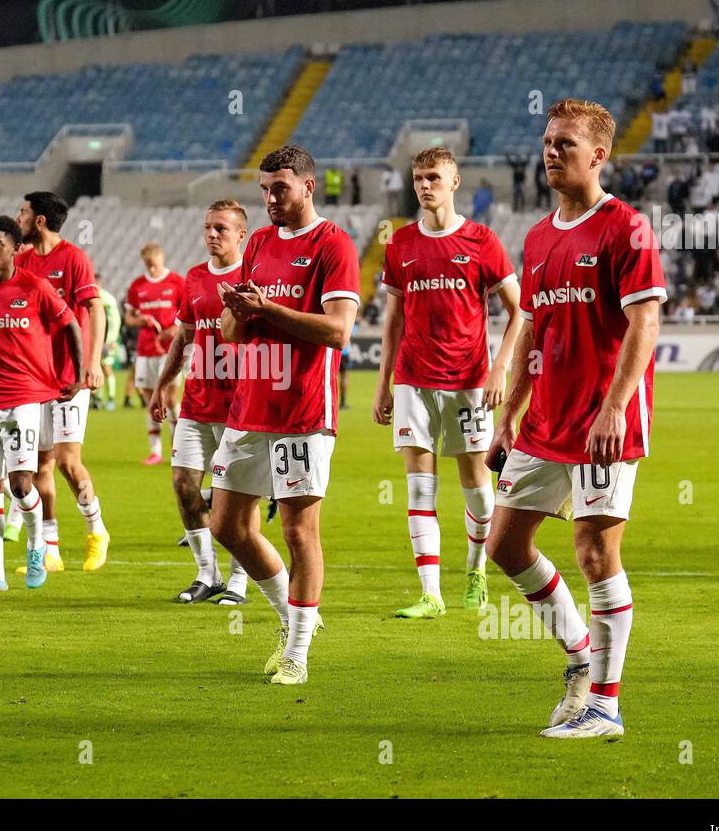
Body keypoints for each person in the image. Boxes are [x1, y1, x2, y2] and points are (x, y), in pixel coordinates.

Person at [485, 99, 666, 739]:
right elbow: (534, 327)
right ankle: (580, 656)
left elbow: (646, 320)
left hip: (603, 422)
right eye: (546, 140)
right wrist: (509, 416)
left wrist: (615, 405)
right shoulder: (537, 236)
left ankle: (605, 706)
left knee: (593, 551)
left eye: (564, 142)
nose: (551, 151)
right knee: (505, 545)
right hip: (544, 423)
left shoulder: (626, 229)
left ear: (598, 154)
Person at [209, 144, 360, 685]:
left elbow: (339, 332)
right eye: (265, 190)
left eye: (281, 189)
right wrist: (238, 311)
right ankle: (295, 617)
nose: (271, 199)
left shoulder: (333, 244)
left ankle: (296, 652)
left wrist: (267, 308)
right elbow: (229, 333)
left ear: (307, 187)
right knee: (226, 524)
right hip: (250, 407)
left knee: (299, 532)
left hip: (303, 410)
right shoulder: (260, 245)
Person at [374, 147, 525, 618]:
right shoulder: (399, 243)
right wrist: (384, 383)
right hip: (413, 380)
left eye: (434, 177)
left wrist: (500, 366)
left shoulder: (482, 240)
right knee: (420, 486)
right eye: (419, 178)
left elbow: (520, 310)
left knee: (477, 487)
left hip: (468, 381)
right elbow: (394, 318)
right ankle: (430, 593)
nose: (424, 185)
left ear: (454, 182)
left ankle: (476, 568)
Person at [0, 215, 84, 594]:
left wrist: (78, 375)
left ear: (15, 249)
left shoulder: (35, 287)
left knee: (21, 484)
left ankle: (36, 544)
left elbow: (71, 325)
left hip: (24, 398)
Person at [147, 199, 251, 605]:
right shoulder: (193, 278)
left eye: (221, 228)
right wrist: (161, 386)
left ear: (241, 234)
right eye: (208, 227)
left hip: (241, 406)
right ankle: (208, 573)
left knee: (235, 496)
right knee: (184, 485)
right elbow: (184, 338)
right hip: (196, 402)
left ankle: (241, 579)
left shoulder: (253, 276)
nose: (211, 234)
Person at [4, 192, 109, 573]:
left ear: (41, 221)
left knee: (68, 462)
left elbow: (94, 310)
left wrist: (93, 362)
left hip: (69, 377)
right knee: (39, 466)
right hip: (34, 380)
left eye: (22, 212)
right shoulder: (22, 263)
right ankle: (50, 549)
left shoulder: (73, 259)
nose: (18, 218)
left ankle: (97, 531)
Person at [124, 243, 185, 464]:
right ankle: (156, 452)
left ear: (162, 259)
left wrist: (172, 331)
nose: (151, 269)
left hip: (170, 350)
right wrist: (140, 320)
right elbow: (128, 318)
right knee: (150, 400)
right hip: (145, 350)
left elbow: (188, 316)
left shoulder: (177, 282)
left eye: (154, 264)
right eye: (147, 265)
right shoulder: (138, 286)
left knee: (168, 399)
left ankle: (179, 447)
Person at [92, 271, 122, 412]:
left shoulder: (107, 299)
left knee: (107, 368)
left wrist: (112, 340)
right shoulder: (91, 297)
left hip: (107, 341)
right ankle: (98, 398)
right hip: (94, 340)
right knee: (95, 367)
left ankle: (110, 398)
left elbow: (115, 321)